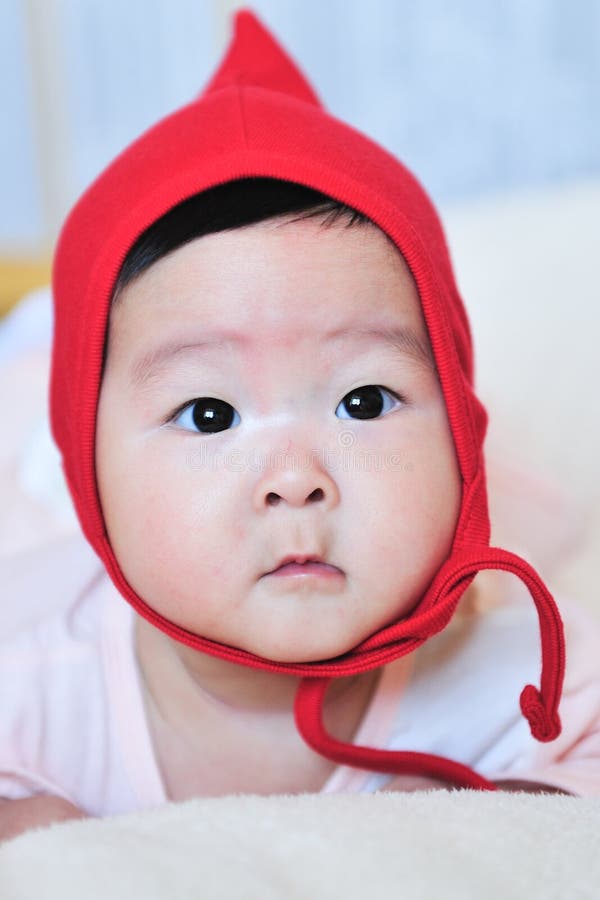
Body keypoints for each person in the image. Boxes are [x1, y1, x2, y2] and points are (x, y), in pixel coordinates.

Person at [2, 8, 600, 844]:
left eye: (364, 402)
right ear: (90, 473)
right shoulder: (25, 674)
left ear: (462, 434)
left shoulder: (526, 669)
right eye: (208, 415)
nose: (295, 476)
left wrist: (504, 814)